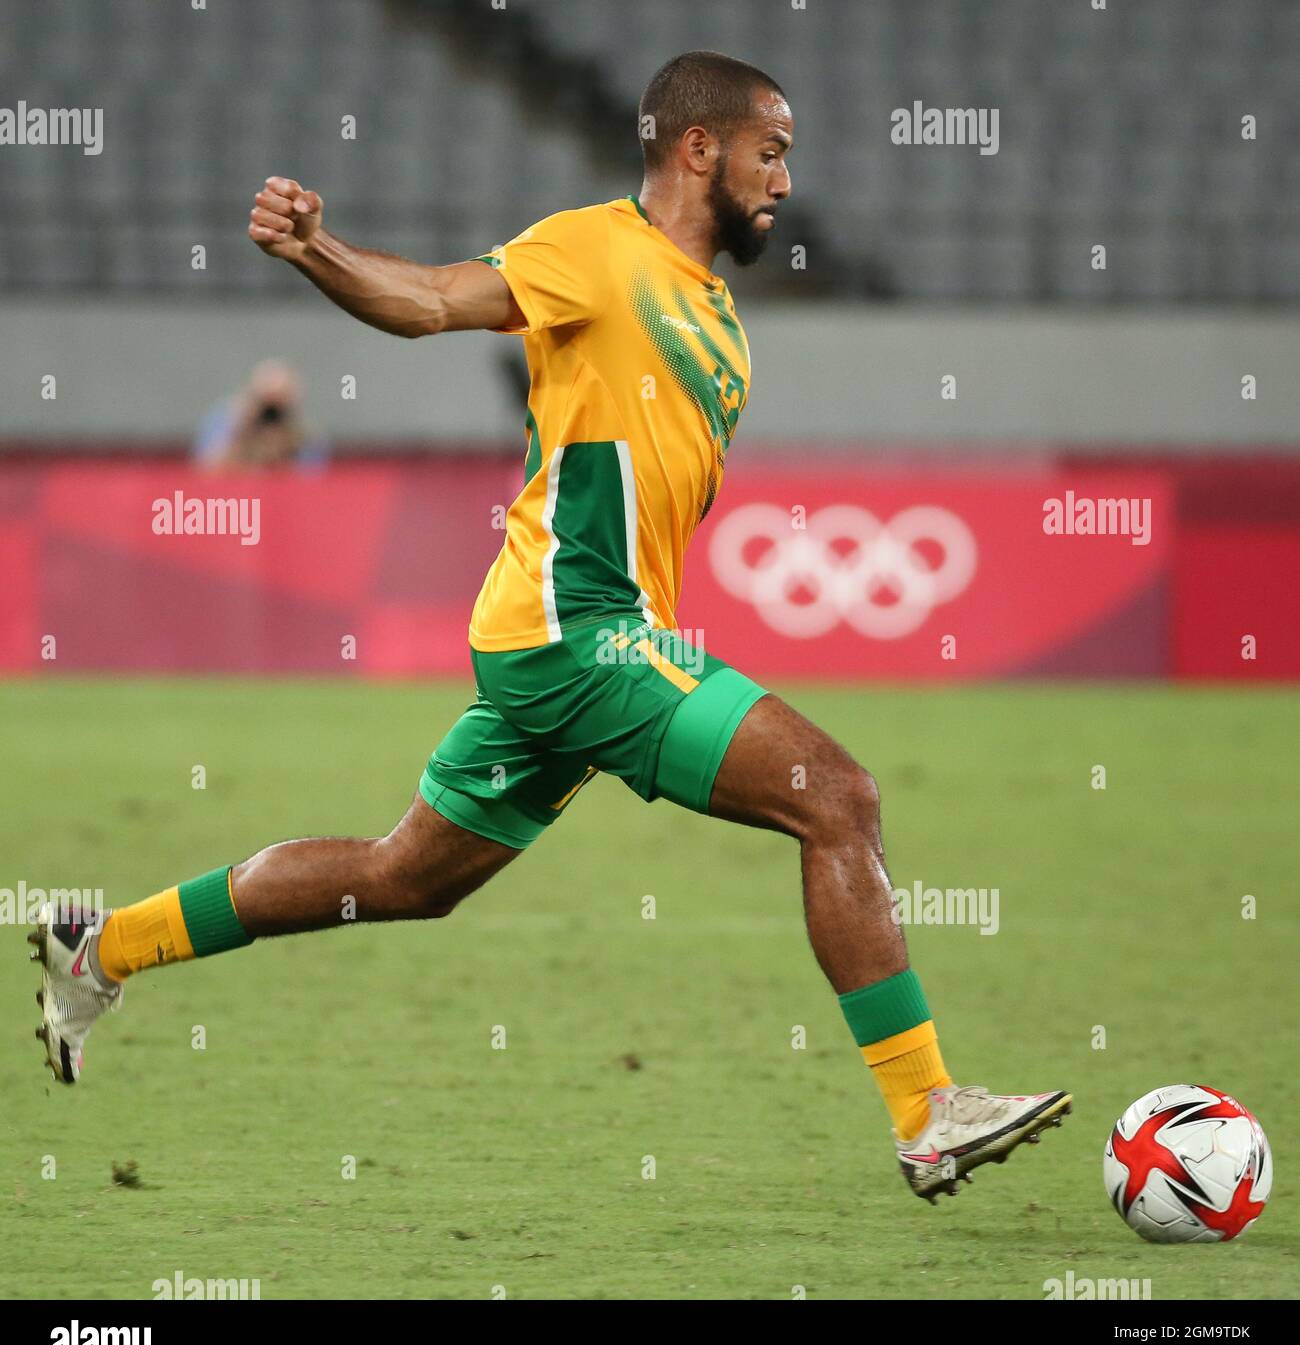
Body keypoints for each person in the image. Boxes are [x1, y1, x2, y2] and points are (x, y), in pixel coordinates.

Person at [30, 51, 1068, 1201]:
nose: (783, 181)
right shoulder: (593, 248)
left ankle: (102, 943)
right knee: (838, 795)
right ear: (696, 148)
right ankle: (927, 1110)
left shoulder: (718, 312)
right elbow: (428, 300)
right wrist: (316, 247)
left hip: (578, 640)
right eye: (768, 153)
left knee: (403, 876)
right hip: (580, 630)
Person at [192, 358, 327, 473]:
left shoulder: (303, 435)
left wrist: (287, 447)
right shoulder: (226, 421)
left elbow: (312, 476)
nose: (271, 414)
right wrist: (240, 430)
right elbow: (206, 469)